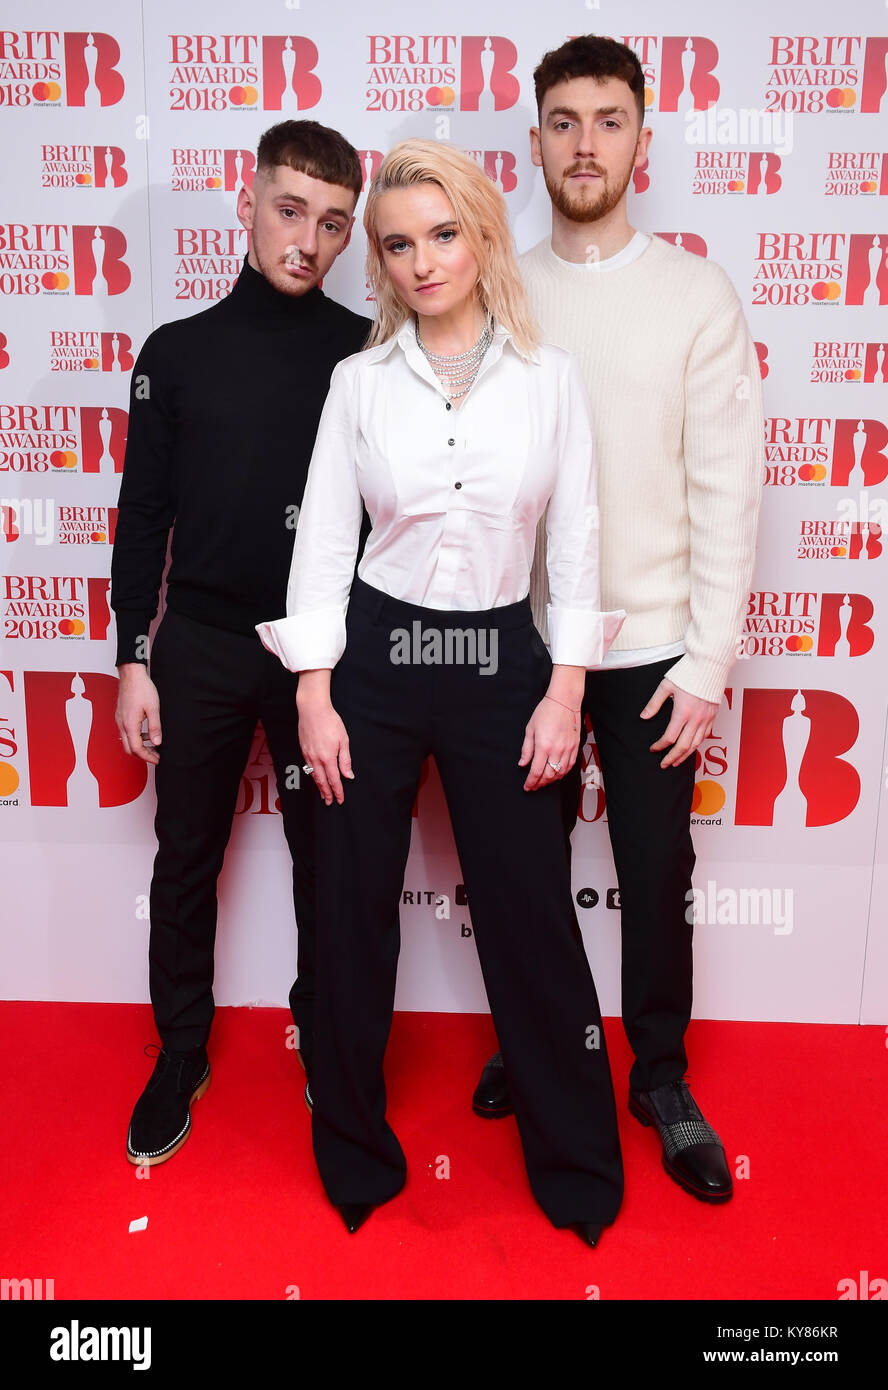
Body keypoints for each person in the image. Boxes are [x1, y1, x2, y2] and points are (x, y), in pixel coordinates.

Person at [257, 139, 626, 1245]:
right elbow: (324, 540)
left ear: (481, 233)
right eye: (399, 243)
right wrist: (315, 694)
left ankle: (575, 1166)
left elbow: (580, 543)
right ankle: (355, 1156)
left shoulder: (550, 379)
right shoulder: (357, 383)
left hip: (500, 665)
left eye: (444, 233)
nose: (423, 261)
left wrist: (565, 693)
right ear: (380, 258)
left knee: (531, 920)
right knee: (351, 912)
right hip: (375, 658)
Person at [472, 35, 764, 1206]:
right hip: (523, 646)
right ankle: (540, 1041)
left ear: (643, 137)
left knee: (655, 867)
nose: (584, 143)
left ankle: (659, 1075)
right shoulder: (499, 289)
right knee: (520, 872)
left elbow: (726, 491)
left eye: (607, 120)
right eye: (562, 121)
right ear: (533, 139)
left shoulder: (696, 294)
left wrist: (706, 663)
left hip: (651, 656)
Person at [111, 120, 371, 1166]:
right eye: (290, 210)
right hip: (205, 647)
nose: (308, 240)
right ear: (249, 201)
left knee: (335, 867)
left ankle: (328, 1039)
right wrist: (135, 655)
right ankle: (181, 1051)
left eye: (334, 223)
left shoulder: (365, 353)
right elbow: (143, 515)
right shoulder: (174, 354)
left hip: (321, 656)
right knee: (185, 861)